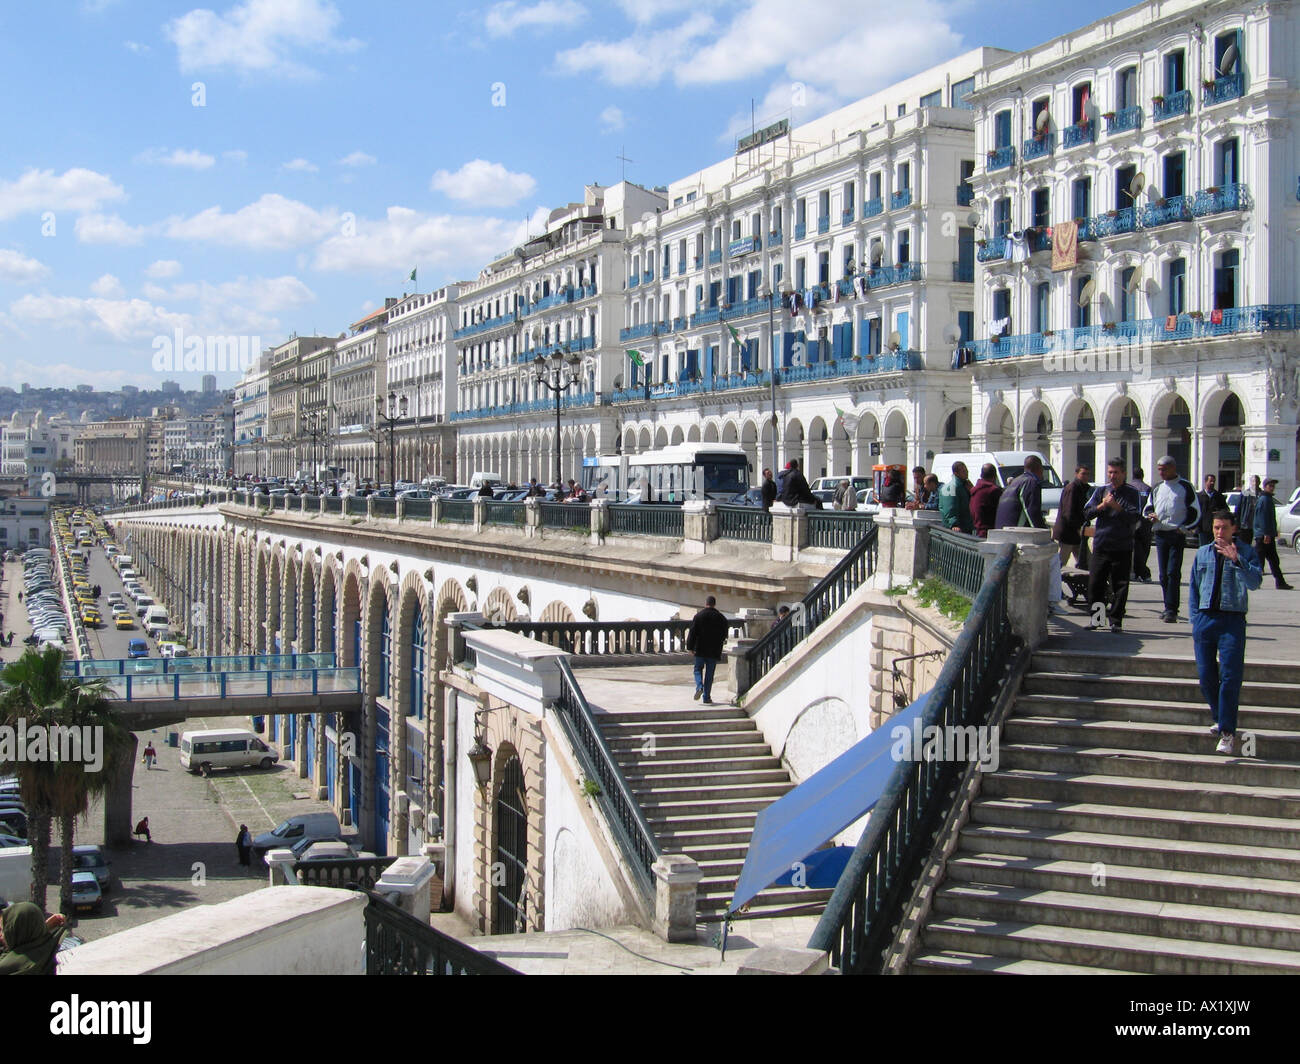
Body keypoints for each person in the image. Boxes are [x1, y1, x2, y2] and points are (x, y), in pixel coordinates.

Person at [1190, 510, 1263, 754]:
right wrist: (1195, 618)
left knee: (1230, 677)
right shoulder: (1203, 552)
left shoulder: (1246, 552)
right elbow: (1193, 587)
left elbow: (1255, 582)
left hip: (1232, 619)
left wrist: (1237, 560)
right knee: (1206, 677)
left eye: (1224, 528)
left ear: (1234, 529)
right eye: (1216, 528)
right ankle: (1220, 718)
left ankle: (1228, 732)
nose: (1219, 532)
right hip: (1206, 618)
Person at [1083, 458, 1141, 632]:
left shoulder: (1132, 493)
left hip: (1122, 546)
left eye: (1116, 472)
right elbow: (1087, 513)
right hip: (1102, 544)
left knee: (1120, 585)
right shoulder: (1101, 491)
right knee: (1096, 584)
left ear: (1124, 473)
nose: (1113, 476)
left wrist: (1116, 507)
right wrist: (1102, 506)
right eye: (1110, 472)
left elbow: (1134, 517)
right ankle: (1098, 619)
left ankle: (1116, 620)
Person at [1144, 456, 1201, 623]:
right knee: (1163, 574)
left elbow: (1195, 511)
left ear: (1173, 468)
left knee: (1173, 572)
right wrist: (1150, 516)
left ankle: (1172, 609)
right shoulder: (1157, 488)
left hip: (1176, 534)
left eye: (1164, 469)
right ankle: (1167, 604)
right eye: (1159, 469)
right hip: (1160, 534)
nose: (1161, 472)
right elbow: (1148, 507)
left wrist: (1184, 528)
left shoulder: (1185, 486)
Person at [0, 902, 67, 975]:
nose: (0, 935)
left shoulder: (11, 967)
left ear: (16, 933)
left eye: (2, 931)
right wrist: (43, 930)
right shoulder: (45, 954)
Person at [685, 595, 729, 705]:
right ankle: (706, 697)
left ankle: (699, 686)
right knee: (709, 674)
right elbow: (724, 634)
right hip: (713, 651)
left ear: (706, 603)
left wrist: (690, 647)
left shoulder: (699, 616)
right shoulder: (721, 618)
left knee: (697, 669)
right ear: (714, 604)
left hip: (700, 649)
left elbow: (693, 633)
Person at [1252, 478, 1293, 590]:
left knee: (1274, 560)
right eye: (1270, 485)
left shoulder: (1267, 499)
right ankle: (1255, 582)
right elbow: (1263, 518)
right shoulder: (1265, 499)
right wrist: (1266, 533)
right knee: (1259, 562)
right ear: (1265, 487)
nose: (1272, 487)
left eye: (1273, 486)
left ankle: (1280, 582)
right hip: (1263, 536)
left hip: (1267, 535)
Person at [995, 455, 1048, 529]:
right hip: (1015, 533)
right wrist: (1043, 532)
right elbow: (1032, 511)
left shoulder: (1015, 481)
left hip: (1000, 530)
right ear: (1038, 468)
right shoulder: (1031, 482)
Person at [1053, 466, 1091, 567]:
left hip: (1075, 533)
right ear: (1077, 474)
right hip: (1068, 533)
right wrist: (1077, 527)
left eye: (1087, 474)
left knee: (1087, 562)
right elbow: (1068, 512)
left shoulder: (1082, 489)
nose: (1085, 477)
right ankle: (1051, 582)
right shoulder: (1073, 488)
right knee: (1059, 563)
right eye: (1083, 474)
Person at [1129, 467, 1153, 581]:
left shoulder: (1128, 487)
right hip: (1145, 523)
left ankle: (1135, 571)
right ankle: (1142, 571)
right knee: (1144, 548)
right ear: (1142, 475)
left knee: (1133, 548)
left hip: (1131, 522)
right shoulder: (1148, 489)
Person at [938, 462, 974, 533]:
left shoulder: (965, 485)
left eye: (966, 470)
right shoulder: (951, 487)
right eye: (963, 471)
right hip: (958, 528)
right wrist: (954, 524)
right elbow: (950, 508)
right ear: (956, 473)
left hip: (966, 526)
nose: (967, 472)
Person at [968, 464, 1001, 538]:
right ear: (994, 476)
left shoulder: (975, 490)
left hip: (978, 531)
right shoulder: (993, 490)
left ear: (981, 475)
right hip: (990, 534)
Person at [1196, 474, 1227, 548]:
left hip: (1215, 528)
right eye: (1210, 481)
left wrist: (1219, 513)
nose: (1212, 483)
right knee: (1204, 549)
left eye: (1214, 481)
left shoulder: (1219, 496)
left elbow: (1225, 510)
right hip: (1203, 528)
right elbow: (1195, 512)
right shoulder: (1199, 496)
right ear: (1205, 482)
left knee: (1215, 548)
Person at [1235, 475, 1260, 542]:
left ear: (1259, 482)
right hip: (1246, 524)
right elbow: (1238, 509)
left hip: (1258, 525)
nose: (1255, 483)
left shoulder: (1261, 494)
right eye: (1253, 481)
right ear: (1250, 482)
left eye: (1257, 481)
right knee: (1245, 544)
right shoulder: (1244, 494)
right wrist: (1237, 523)